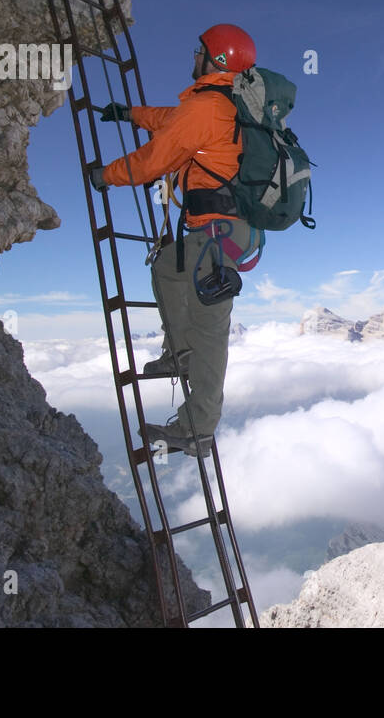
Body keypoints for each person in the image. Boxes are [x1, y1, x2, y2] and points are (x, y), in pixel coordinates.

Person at [89, 23, 261, 457]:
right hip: (217, 233)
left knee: (210, 332)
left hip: (219, 235)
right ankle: (179, 354)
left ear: (216, 59)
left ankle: (197, 429)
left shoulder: (207, 109)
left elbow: (153, 161)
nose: (193, 55)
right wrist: (129, 114)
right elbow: (170, 122)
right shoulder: (214, 106)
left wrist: (104, 176)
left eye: (199, 50)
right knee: (167, 267)